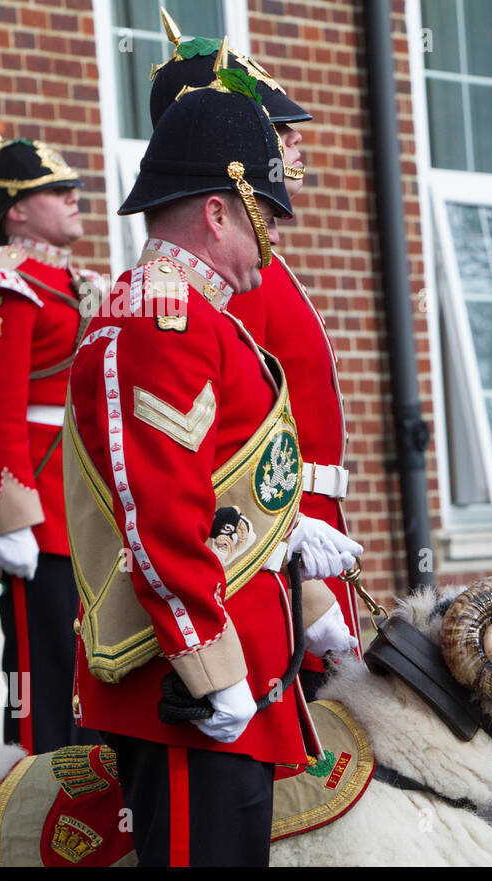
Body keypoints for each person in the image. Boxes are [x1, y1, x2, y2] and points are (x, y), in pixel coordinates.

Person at [65, 81, 362, 866]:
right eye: (266, 215)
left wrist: (291, 538)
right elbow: (157, 504)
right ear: (220, 210)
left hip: (231, 673)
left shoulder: (194, 315)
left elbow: (214, 482)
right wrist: (207, 665)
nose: (273, 241)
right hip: (187, 685)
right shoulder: (162, 318)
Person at [149, 15, 360, 699]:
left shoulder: (261, 260)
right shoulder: (231, 272)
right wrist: (287, 526)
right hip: (272, 521)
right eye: (276, 130)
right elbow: (234, 429)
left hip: (303, 516)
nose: (294, 143)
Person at [0, 129, 104, 752]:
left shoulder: (77, 281)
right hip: (38, 515)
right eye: (56, 189)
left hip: (85, 511)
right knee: (43, 687)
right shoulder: (5, 283)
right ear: (16, 209)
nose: (75, 196)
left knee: (90, 678)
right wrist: (10, 516)